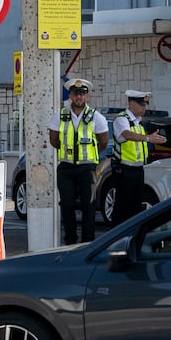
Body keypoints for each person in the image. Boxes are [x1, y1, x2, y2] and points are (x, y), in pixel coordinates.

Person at [48, 79, 109, 245]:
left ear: (87, 96)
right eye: (75, 93)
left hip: (87, 168)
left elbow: (103, 142)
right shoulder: (59, 116)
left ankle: (87, 243)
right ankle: (70, 241)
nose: (79, 97)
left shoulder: (97, 117)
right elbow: (54, 140)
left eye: (82, 93)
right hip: (66, 167)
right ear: (70, 96)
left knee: (88, 206)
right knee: (67, 205)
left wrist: (89, 154)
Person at [109, 90, 168, 215]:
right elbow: (127, 134)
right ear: (131, 103)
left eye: (145, 105)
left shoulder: (138, 122)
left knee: (135, 207)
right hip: (124, 169)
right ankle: (119, 233)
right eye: (141, 104)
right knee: (122, 207)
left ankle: (132, 234)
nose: (144, 108)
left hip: (138, 169)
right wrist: (147, 138)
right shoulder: (122, 119)